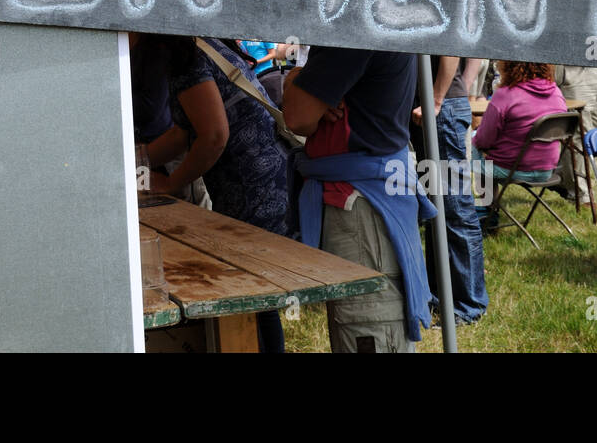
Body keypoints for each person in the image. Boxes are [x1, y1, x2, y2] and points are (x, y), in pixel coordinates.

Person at [135, 34, 288, 351]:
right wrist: (137, 159)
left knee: (253, 293)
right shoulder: (200, 46)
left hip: (252, 186)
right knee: (258, 295)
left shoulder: (187, 61)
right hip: (258, 179)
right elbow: (184, 132)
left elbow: (214, 134)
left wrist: (171, 182)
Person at [281, 48, 434, 353]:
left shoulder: (353, 31)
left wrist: (298, 82)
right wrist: (300, 80)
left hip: (363, 208)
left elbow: (298, 116)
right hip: (366, 202)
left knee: (369, 329)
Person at [409, 56, 487, 325]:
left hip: (440, 110)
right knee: (437, 210)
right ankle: (441, 296)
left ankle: (469, 305)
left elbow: (448, 49)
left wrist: (438, 99)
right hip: (436, 107)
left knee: (455, 209)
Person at [472, 61, 569, 188]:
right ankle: (489, 199)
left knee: (470, 144)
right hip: (546, 170)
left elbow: (483, 140)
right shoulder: (556, 93)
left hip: (511, 169)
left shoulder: (505, 94)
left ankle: (484, 200)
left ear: (508, 65)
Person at [552, 64, 597, 206]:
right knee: (579, 137)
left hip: (594, 66)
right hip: (572, 69)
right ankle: (580, 196)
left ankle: (560, 175)